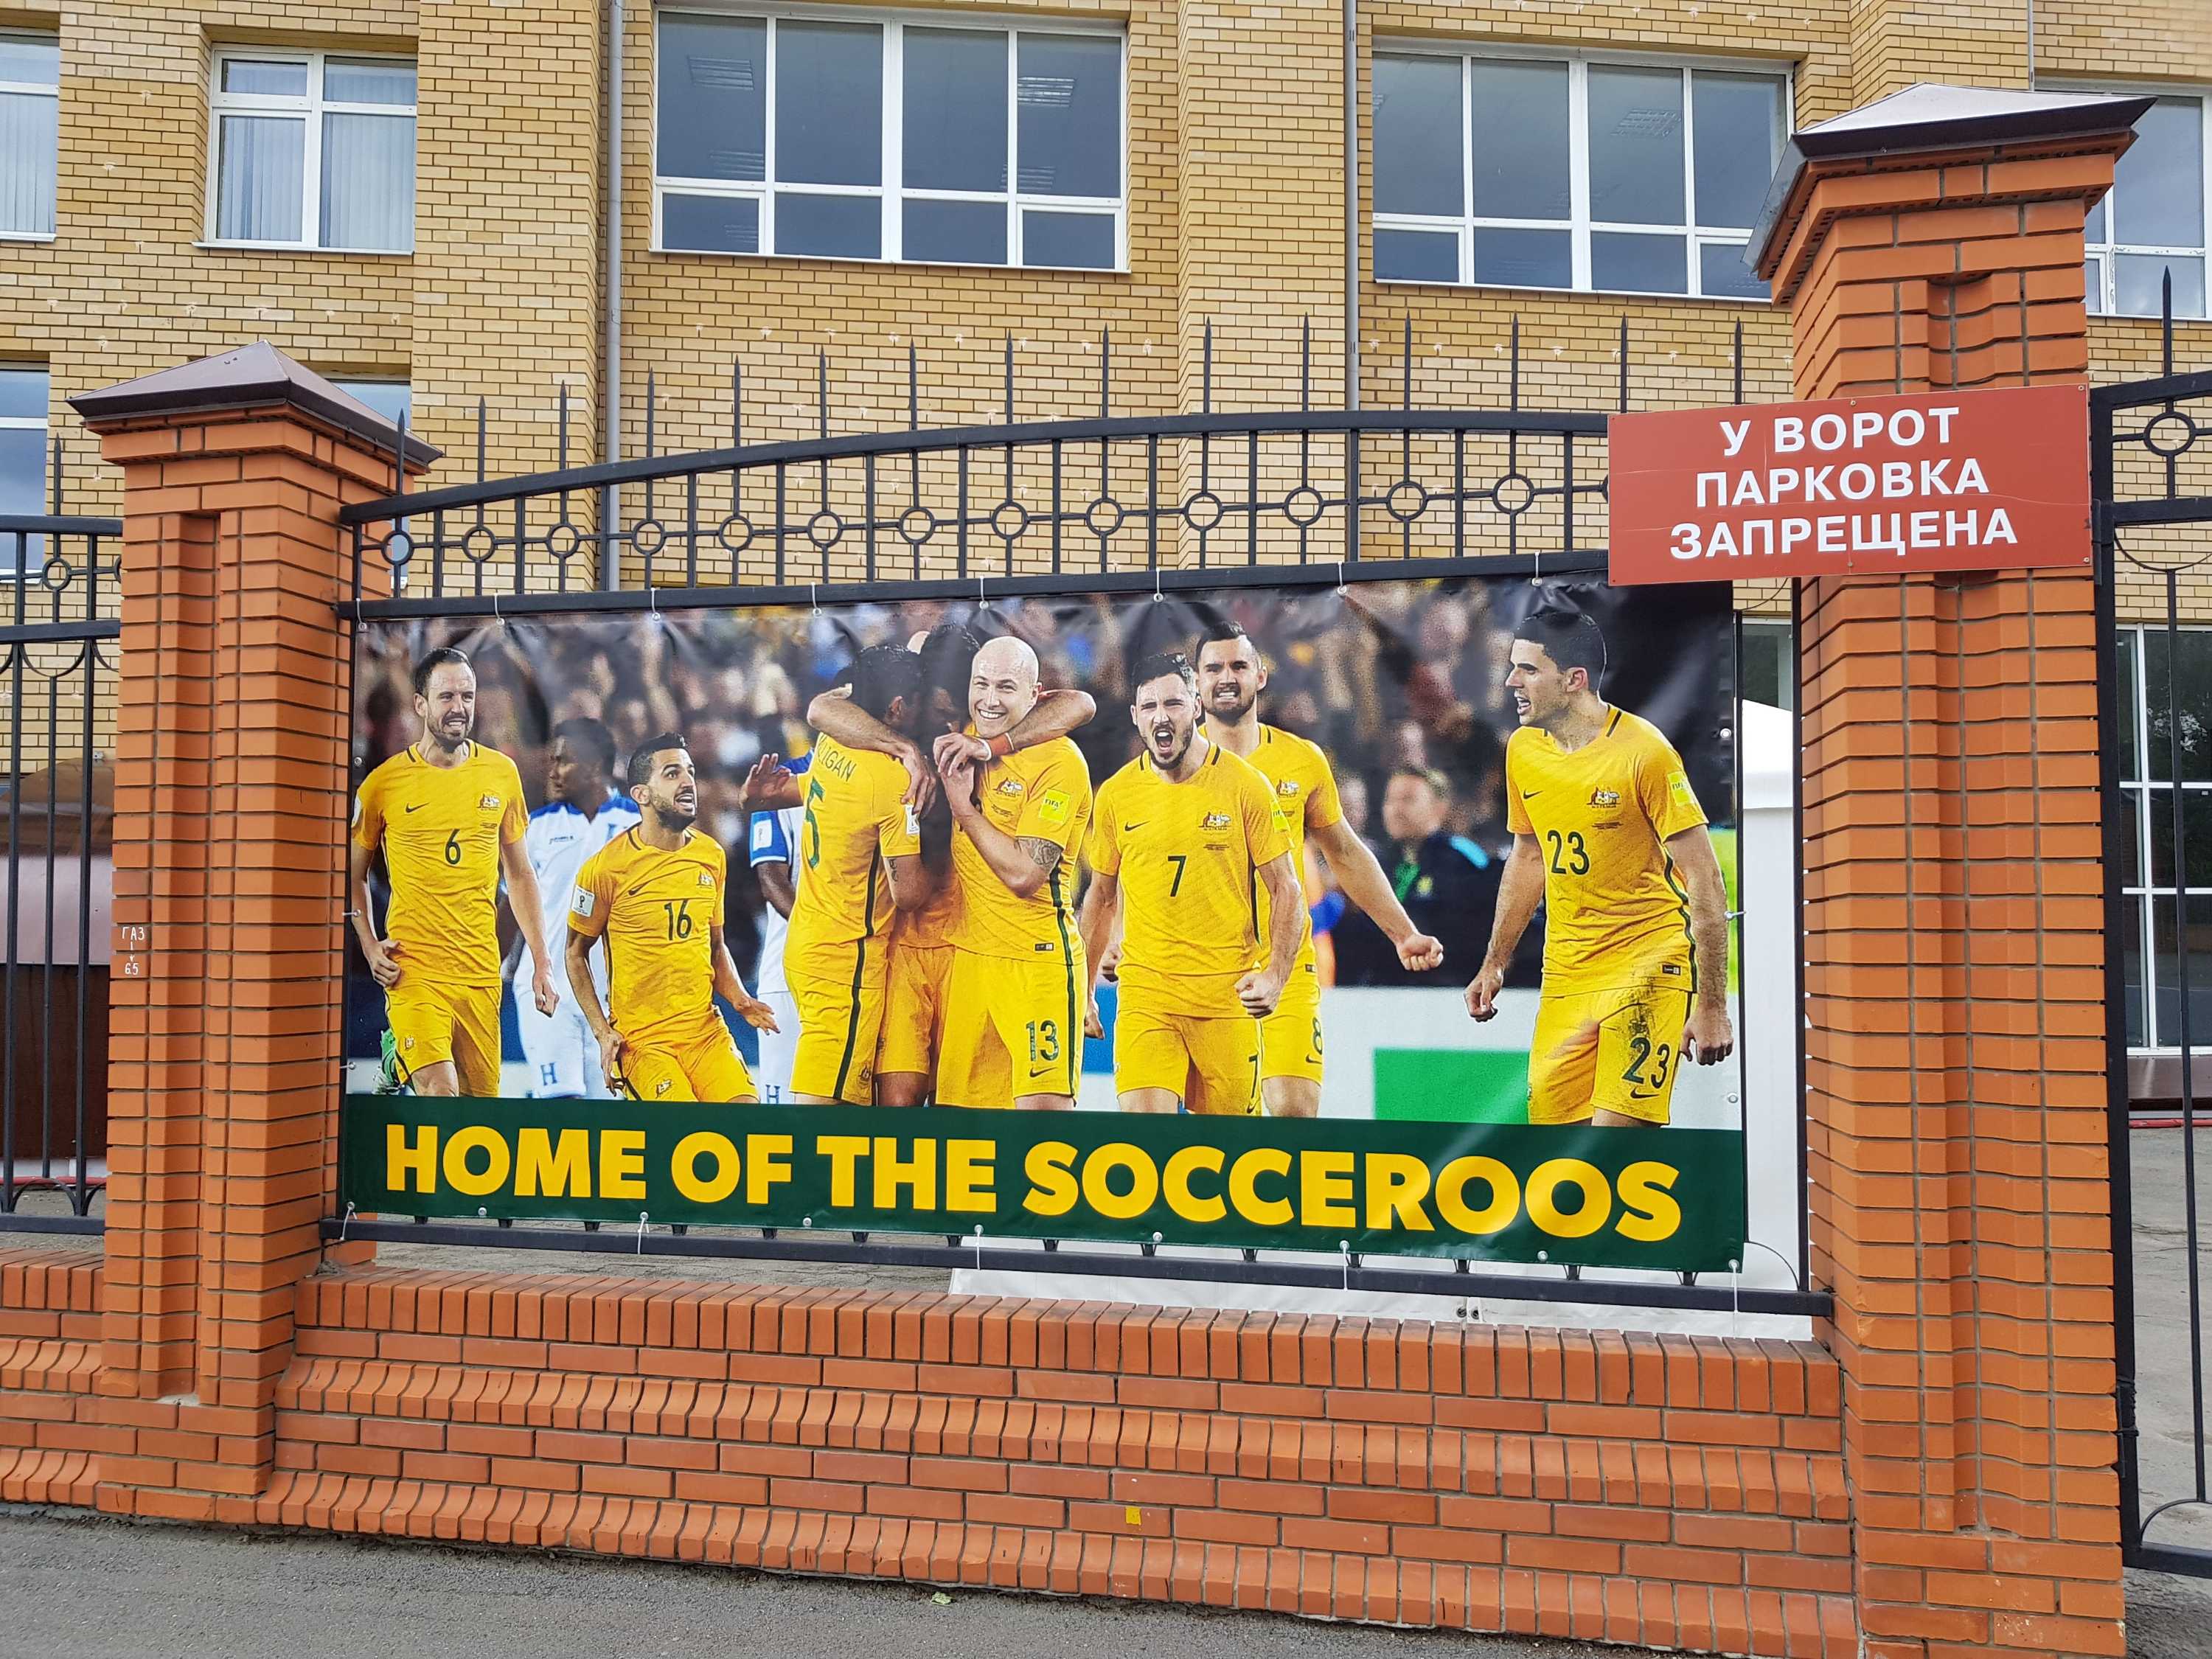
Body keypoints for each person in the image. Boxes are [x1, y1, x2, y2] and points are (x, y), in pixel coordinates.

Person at [1464, 608, 1735, 1127]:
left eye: (1528, 670)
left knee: (1617, 1145)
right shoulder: (1524, 750)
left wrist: (1713, 1004)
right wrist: (1495, 960)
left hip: (1649, 962)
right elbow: (1530, 855)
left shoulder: (1645, 753)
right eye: (1512, 667)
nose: (1510, 682)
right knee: (1559, 1157)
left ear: (1574, 680)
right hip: (1567, 973)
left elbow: (1704, 878)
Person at [804, 626, 1095, 1106]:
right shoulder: (905, 729)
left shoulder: (997, 736)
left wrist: (988, 750)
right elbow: (820, 708)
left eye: (1001, 688)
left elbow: (1080, 703)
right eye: (980, 687)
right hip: (915, 945)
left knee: (1004, 1116)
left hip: (984, 948)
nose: (947, 722)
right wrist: (903, 752)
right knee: (909, 1106)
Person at [1190, 621, 1444, 1116]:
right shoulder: (1171, 764)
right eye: (1213, 668)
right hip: (1199, 964)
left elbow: (1345, 853)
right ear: (1196, 683)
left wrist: (1403, 933)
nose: (1227, 677)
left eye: (1239, 665)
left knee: (1294, 1112)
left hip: (1286, 961)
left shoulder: (1301, 760)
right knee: (1221, 1125)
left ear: (1261, 676)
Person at [1079, 653, 1304, 1116]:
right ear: (1135, 717)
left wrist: (1276, 977)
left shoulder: (1246, 785)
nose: (1162, 717)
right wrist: (1084, 990)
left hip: (1227, 995)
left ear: (1197, 706)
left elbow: (1287, 889)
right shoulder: (1117, 794)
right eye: (1149, 707)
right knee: (1147, 1140)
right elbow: (1099, 897)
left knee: (1230, 1154)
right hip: (1147, 992)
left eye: (1174, 704)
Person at [349, 647, 557, 1097]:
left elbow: (519, 875)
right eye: (446, 697)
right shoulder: (384, 783)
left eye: (467, 696)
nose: (458, 708)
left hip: (480, 971)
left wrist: (542, 961)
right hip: (414, 968)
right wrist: (368, 945)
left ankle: (395, 1054)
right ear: (421, 704)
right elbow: (351, 874)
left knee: (477, 1114)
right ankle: (405, 1051)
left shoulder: (501, 773)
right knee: (441, 1096)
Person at [566, 734, 776, 1102]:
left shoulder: (711, 855)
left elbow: (714, 945)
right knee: (683, 1133)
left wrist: (740, 999)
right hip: (644, 1042)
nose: (688, 782)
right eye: (672, 773)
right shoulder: (604, 869)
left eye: (690, 772)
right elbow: (574, 953)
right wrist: (603, 1032)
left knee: (747, 1125)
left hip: (705, 1032)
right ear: (641, 795)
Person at [936, 637, 1094, 1110]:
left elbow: (1026, 874)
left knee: (1041, 1132)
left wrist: (964, 810)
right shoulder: (959, 734)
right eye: (980, 684)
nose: (989, 699)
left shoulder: (1060, 761)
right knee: (959, 1129)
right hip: (969, 959)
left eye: (1007, 687)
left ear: (1035, 695)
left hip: (1037, 963)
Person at [782, 645, 939, 1105]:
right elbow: (908, 893)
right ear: (897, 708)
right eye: (918, 699)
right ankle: (805, 1179)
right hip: (846, 960)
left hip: (811, 937)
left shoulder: (833, 741)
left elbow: (825, 705)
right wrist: (949, 865)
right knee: (827, 1105)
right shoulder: (892, 780)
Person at [515, 717, 639, 1098]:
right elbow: (510, 905)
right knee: (560, 1110)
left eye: (563, 761)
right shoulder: (535, 829)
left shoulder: (638, 825)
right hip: (549, 990)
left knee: (609, 1120)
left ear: (595, 766)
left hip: (616, 998)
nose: (552, 772)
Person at [1339, 766, 1505, 989]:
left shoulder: (1463, 858)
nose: (1395, 810)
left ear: (1440, 808)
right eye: (1390, 800)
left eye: (1408, 800)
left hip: (1447, 990)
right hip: (1383, 991)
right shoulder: (1378, 863)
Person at [746, 751, 808, 1103]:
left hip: (863, 975)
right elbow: (771, 881)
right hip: (788, 975)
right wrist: (825, 938)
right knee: (782, 1114)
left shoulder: (886, 775)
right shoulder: (780, 780)